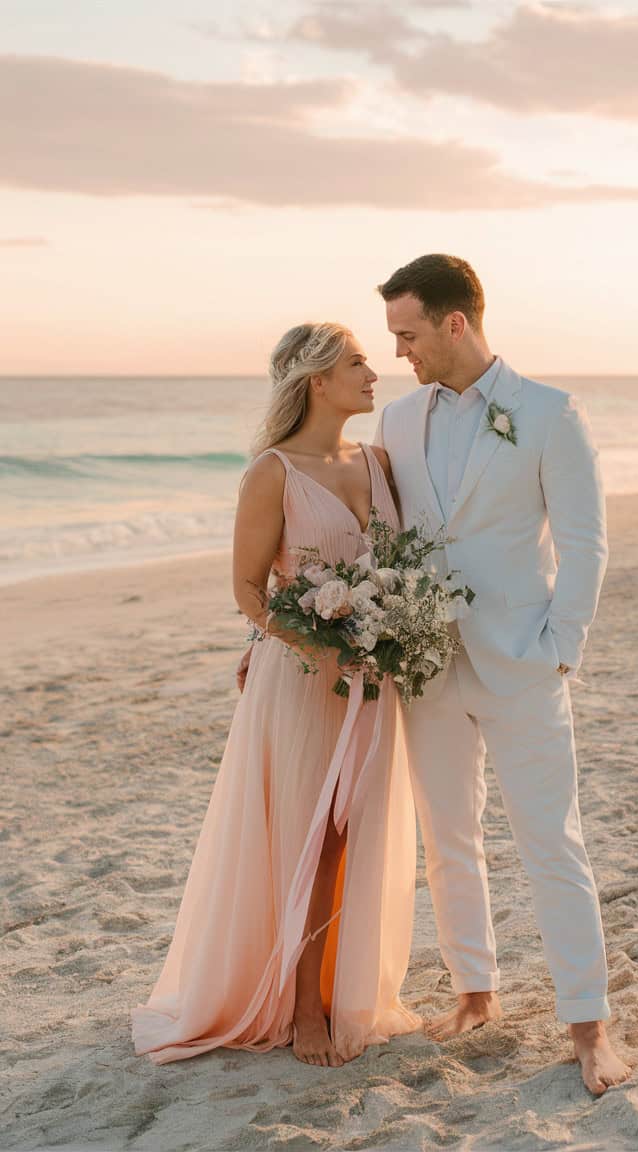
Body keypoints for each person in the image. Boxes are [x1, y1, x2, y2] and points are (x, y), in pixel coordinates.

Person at [237, 254, 631, 1095]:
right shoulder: (402, 422)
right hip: (423, 668)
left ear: (456, 323)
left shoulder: (549, 414)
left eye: (408, 334)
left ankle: (589, 1024)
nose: (398, 353)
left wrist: (562, 646)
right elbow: (374, 539)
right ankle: (475, 994)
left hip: (524, 661)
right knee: (450, 841)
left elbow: (587, 542)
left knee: (550, 842)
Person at [132, 322, 419, 1069]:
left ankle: (342, 986)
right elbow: (248, 589)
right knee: (310, 838)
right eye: (357, 362)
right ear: (316, 381)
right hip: (301, 680)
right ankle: (302, 1008)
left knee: (358, 831)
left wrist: (389, 631)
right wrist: (309, 640)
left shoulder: (380, 461)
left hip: (375, 679)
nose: (373, 371)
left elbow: (405, 568)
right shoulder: (272, 472)